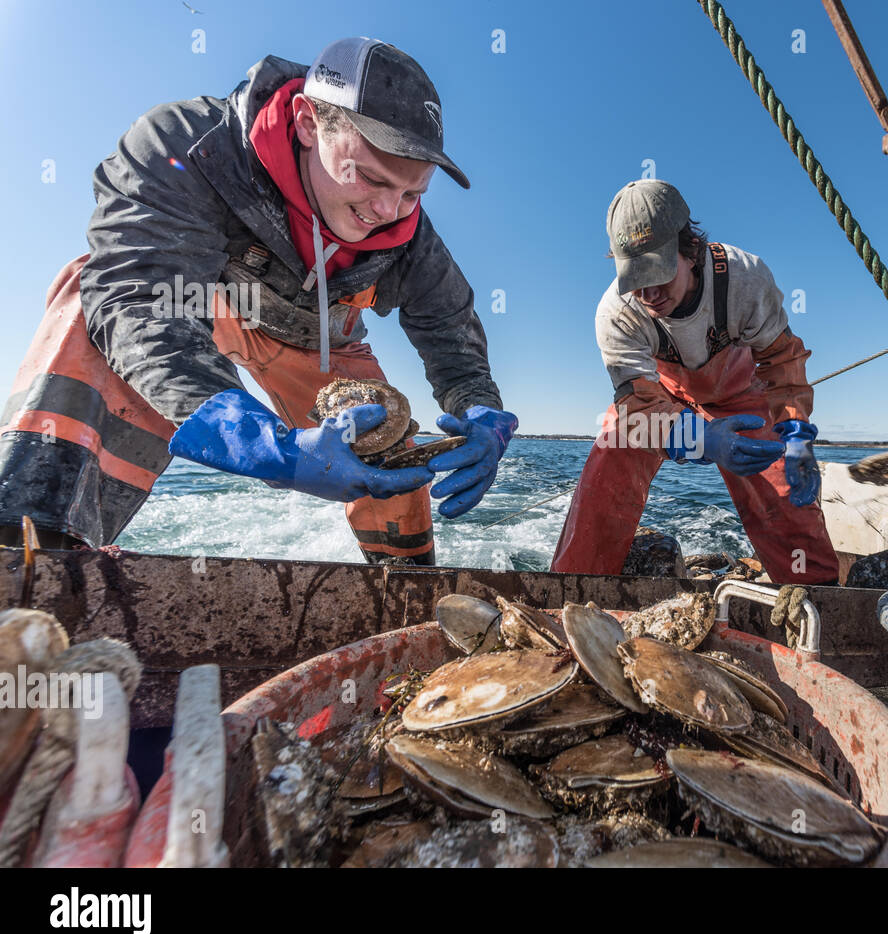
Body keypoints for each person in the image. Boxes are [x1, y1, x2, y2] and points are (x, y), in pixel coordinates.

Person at [0, 37, 518, 566]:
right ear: (307, 122)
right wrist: (251, 439)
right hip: (196, 309)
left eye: (413, 194)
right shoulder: (185, 145)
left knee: (391, 450)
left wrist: (480, 408)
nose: (388, 210)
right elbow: (139, 295)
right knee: (88, 303)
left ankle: (405, 585)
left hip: (322, 341)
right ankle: (33, 553)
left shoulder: (409, 235)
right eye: (368, 176)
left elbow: (450, 328)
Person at [551, 180, 838, 585]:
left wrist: (795, 433)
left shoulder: (746, 280)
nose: (649, 292)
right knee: (612, 454)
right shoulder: (615, 313)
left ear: (691, 251)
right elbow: (638, 403)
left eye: (659, 273)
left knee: (785, 493)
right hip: (659, 399)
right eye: (636, 276)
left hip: (740, 396)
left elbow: (780, 362)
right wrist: (701, 438)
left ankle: (816, 601)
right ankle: (575, 594)